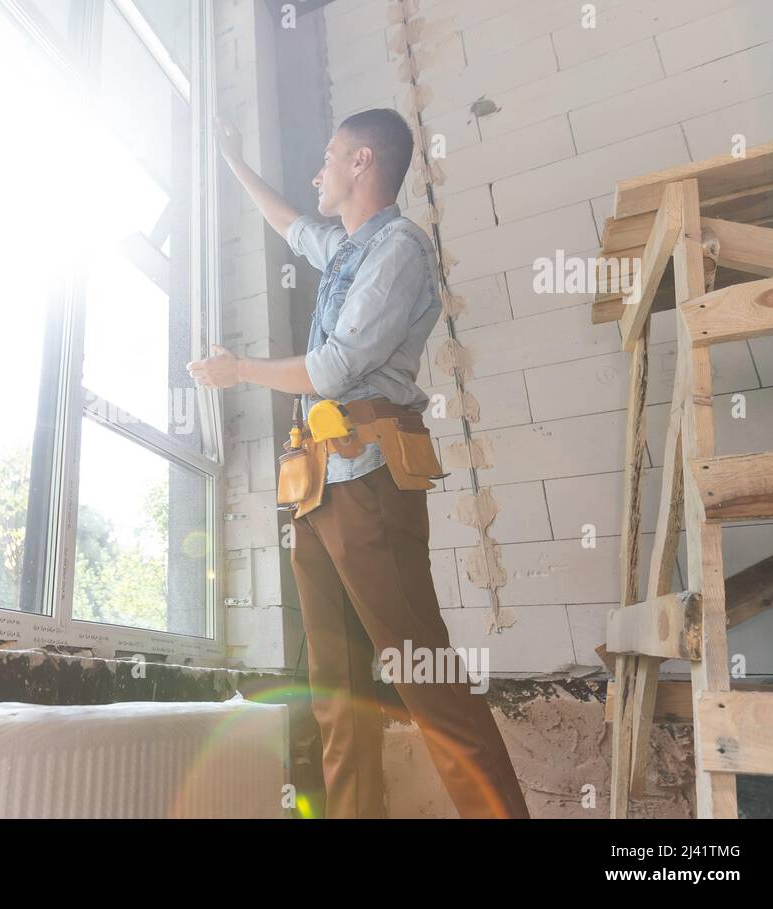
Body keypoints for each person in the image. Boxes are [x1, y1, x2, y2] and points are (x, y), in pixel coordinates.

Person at [188, 109, 529, 819]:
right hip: (314, 487)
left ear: (362, 162)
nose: (318, 170)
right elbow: (291, 225)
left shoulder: (399, 247)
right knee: (336, 693)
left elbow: (336, 367)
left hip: (369, 480)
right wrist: (233, 162)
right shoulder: (344, 248)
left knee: (423, 676)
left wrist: (241, 368)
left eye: (328, 155)